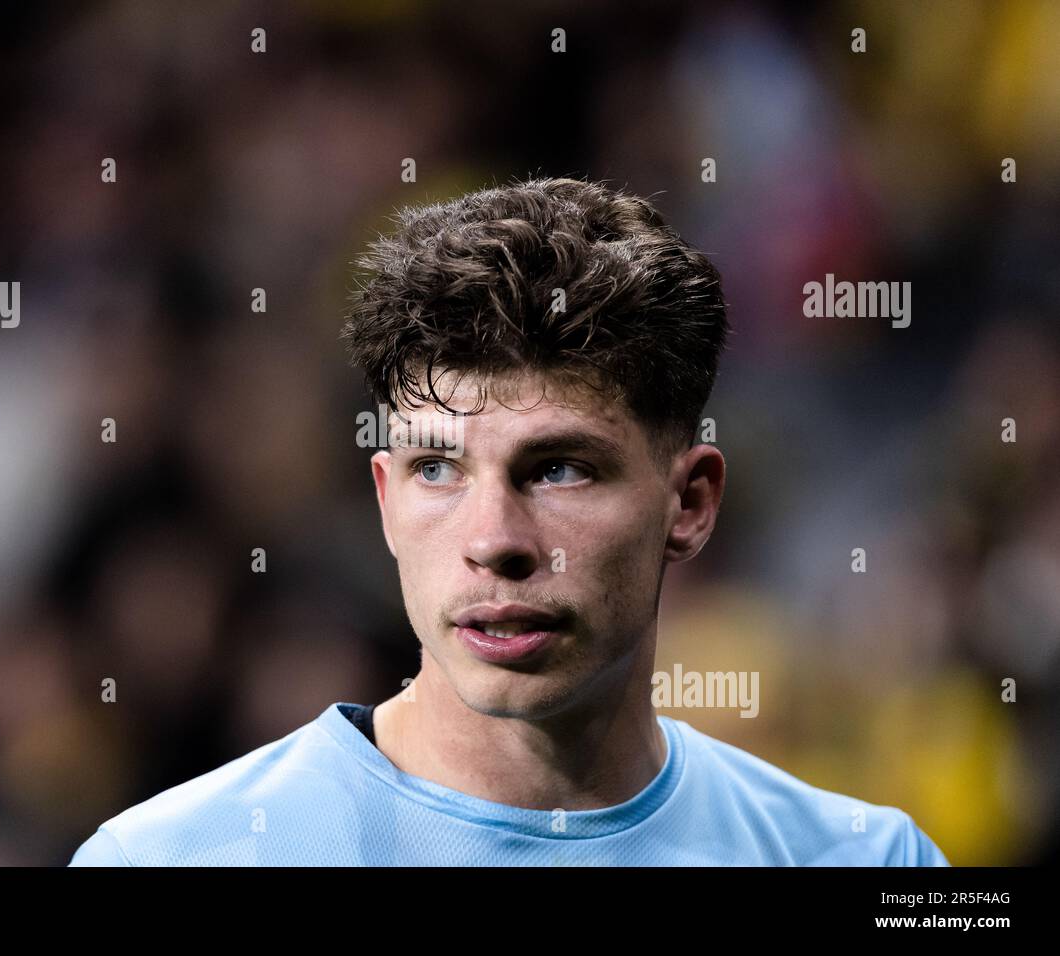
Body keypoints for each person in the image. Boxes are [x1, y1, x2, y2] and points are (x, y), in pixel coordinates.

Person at [70, 177, 949, 865]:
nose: (494, 540)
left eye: (560, 468)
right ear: (384, 500)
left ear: (690, 505)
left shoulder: (873, 865)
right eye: (437, 470)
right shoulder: (163, 861)